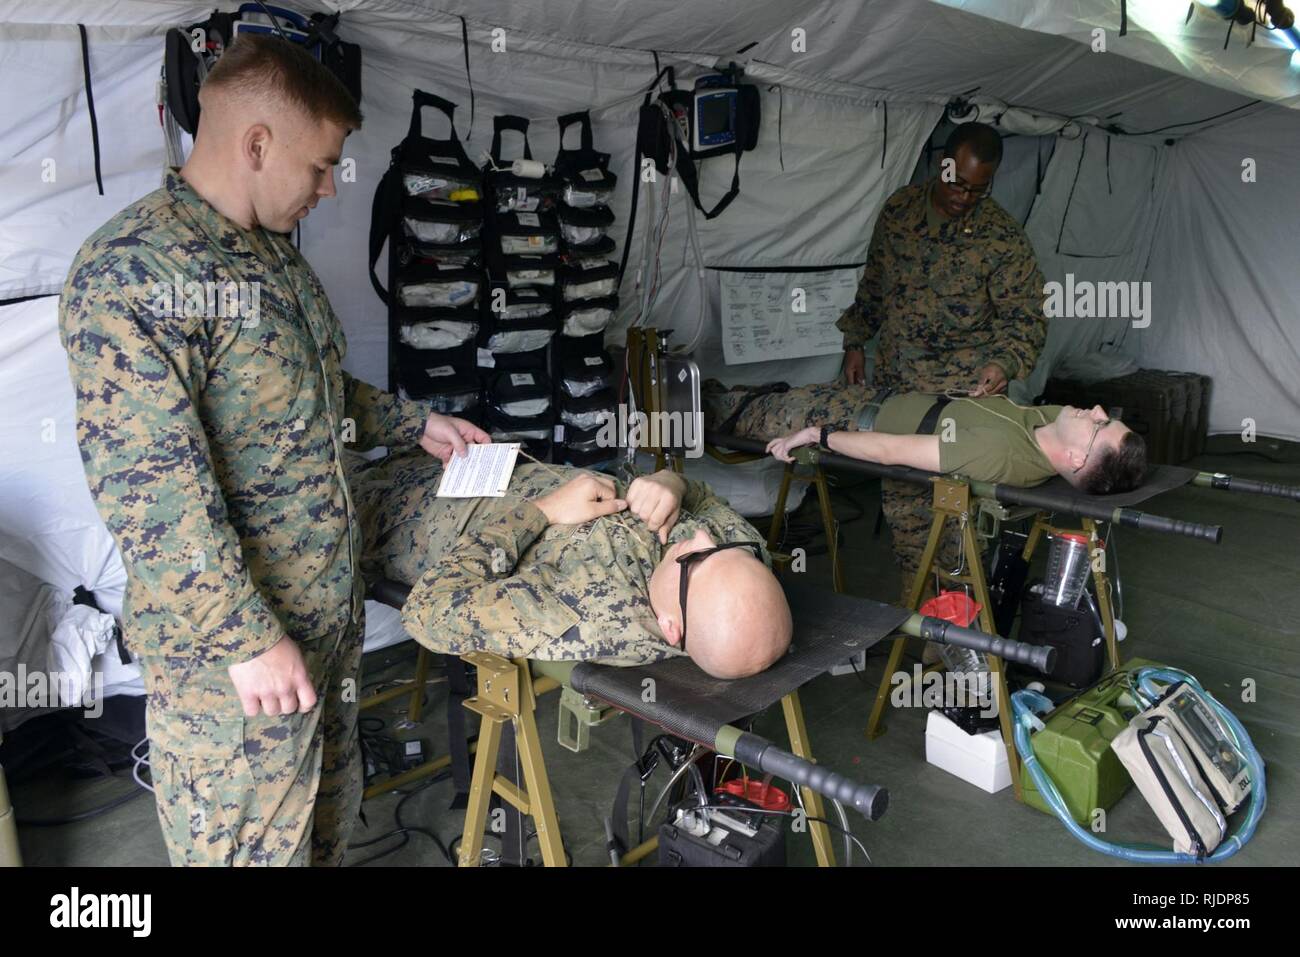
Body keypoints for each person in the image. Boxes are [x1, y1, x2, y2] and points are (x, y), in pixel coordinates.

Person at [58, 35, 489, 866]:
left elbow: (316, 395)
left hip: (321, 636)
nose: (330, 188)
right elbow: (150, 492)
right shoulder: (130, 271)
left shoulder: (275, 263)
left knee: (321, 841)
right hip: (237, 673)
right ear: (256, 143)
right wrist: (243, 637)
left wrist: (413, 425)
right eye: (322, 165)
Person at [346, 448, 793, 680]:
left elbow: (428, 610)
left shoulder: (575, 612)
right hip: (475, 470)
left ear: (671, 626)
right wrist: (667, 482)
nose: (700, 536)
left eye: (695, 556)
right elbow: (706, 501)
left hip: (398, 512)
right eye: (719, 546)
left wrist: (543, 511)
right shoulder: (737, 554)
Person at [836, 121, 1048, 597]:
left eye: (978, 189)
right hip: (900, 390)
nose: (964, 197)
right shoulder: (899, 212)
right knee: (905, 509)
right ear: (941, 165)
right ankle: (922, 615)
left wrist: (1004, 365)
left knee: (959, 515)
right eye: (957, 183)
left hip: (964, 397)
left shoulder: (1002, 239)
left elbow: (1026, 318)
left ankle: (959, 623)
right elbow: (874, 285)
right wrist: (855, 341)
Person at [705, 380, 1147, 494]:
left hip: (851, 420)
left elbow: (890, 450)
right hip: (873, 399)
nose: (1098, 412)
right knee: (746, 399)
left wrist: (815, 434)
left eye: (1101, 425)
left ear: (1074, 458)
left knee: (732, 413)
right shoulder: (1049, 427)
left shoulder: (999, 454)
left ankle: (657, 405)